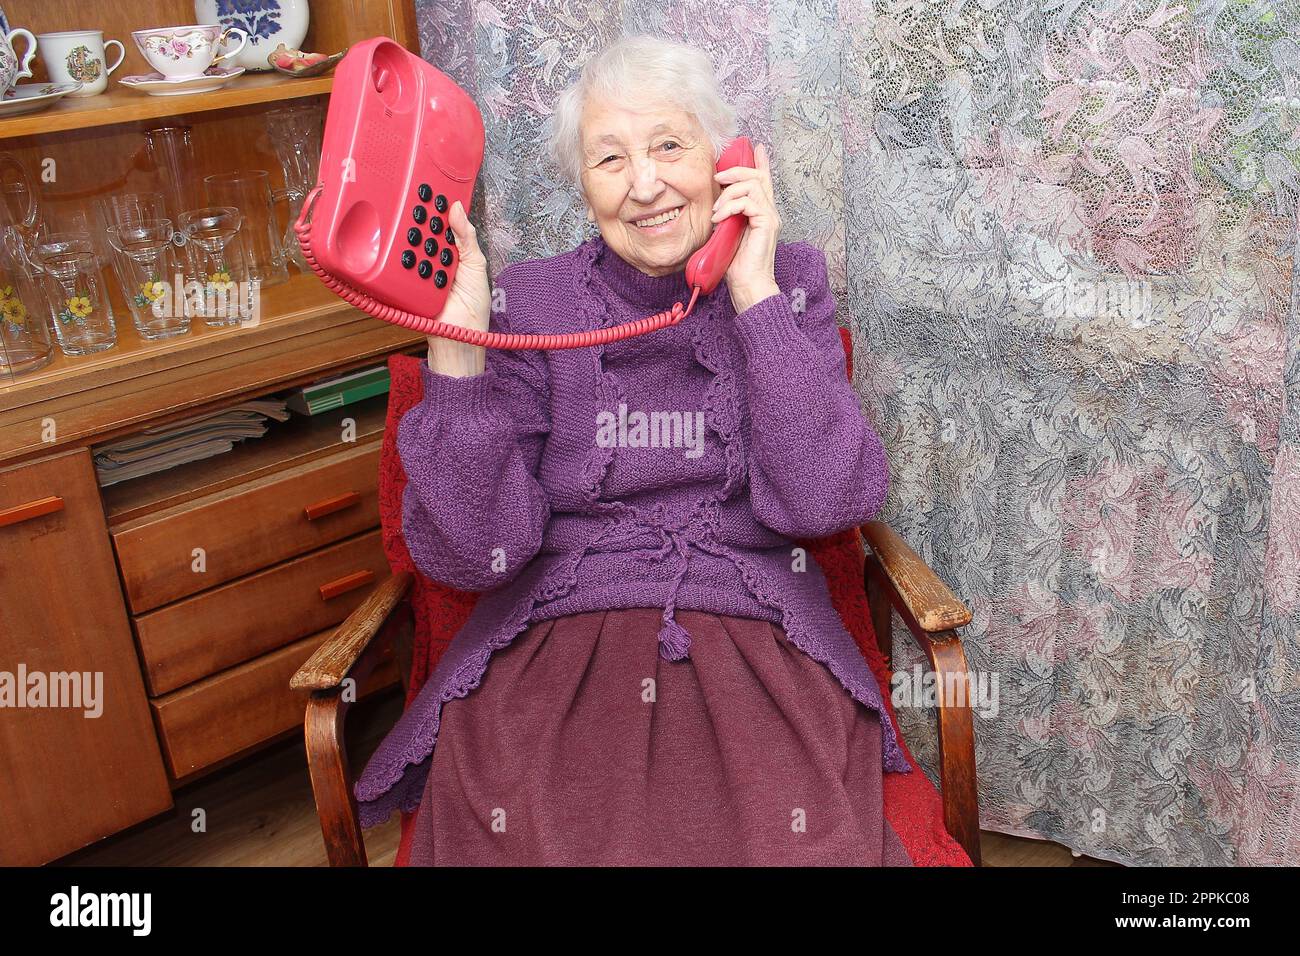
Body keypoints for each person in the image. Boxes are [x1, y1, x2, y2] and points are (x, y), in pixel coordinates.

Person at [355, 33, 913, 865]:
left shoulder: (784, 276)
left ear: (727, 162)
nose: (645, 184)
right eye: (609, 159)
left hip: (753, 624)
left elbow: (825, 500)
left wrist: (753, 294)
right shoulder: (530, 301)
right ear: (582, 187)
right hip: (559, 632)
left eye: (669, 146)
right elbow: (475, 554)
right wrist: (459, 346)